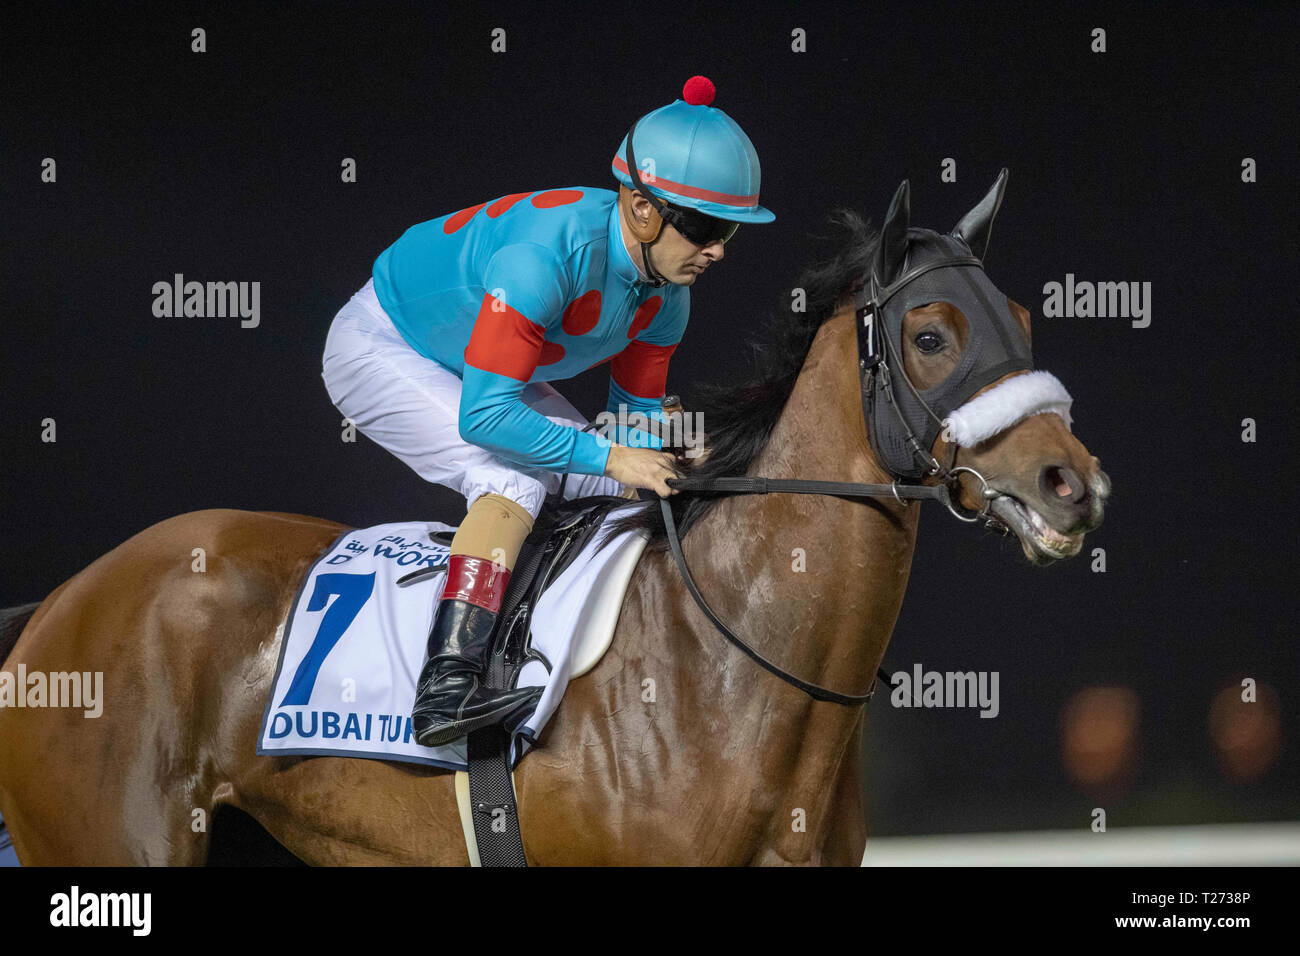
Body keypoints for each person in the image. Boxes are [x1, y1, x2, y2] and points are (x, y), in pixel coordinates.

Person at [321, 76, 775, 748]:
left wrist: (692, 446)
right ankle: (445, 685)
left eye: (730, 231)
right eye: (705, 229)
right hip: (385, 345)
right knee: (513, 480)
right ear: (643, 210)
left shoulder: (668, 296)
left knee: (618, 477)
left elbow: (631, 425)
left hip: (482, 368)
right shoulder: (543, 257)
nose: (718, 251)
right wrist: (613, 451)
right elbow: (485, 417)